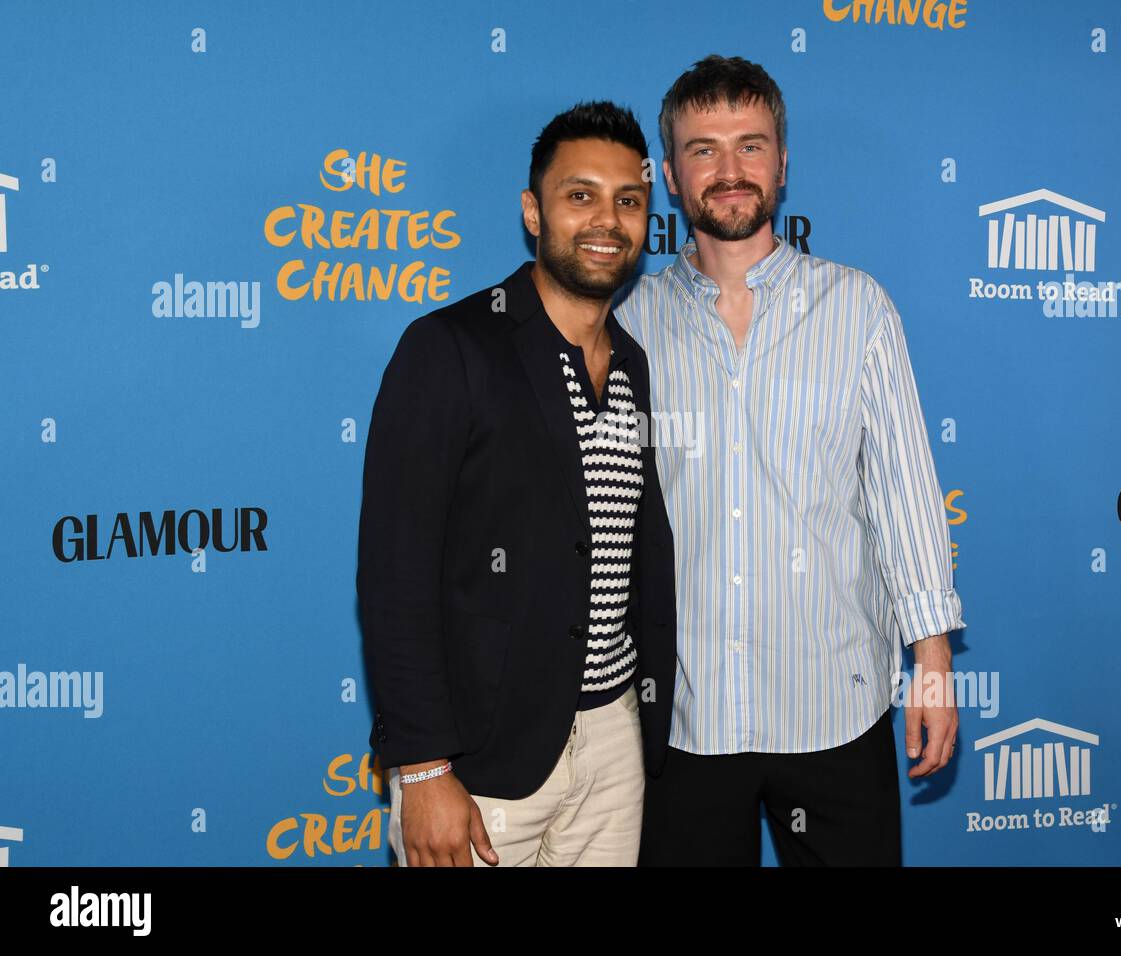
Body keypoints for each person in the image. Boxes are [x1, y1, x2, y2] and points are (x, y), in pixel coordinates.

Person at [614, 55, 966, 866]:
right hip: (685, 722)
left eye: (751, 145)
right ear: (670, 172)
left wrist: (934, 661)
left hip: (832, 711)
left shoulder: (858, 308)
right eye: (703, 149)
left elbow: (904, 495)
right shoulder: (628, 326)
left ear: (782, 162)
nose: (729, 170)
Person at [356, 101, 677, 867]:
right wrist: (425, 768)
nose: (607, 219)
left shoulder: (633, 365)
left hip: (613, 745)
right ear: (534, 213)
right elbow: (395, 575)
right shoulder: (451, 348)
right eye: (580, 195)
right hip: (481, 762)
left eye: (628, 201)